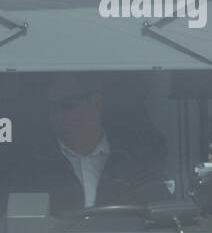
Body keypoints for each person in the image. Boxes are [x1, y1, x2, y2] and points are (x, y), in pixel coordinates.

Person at [15, 73, 169, 214]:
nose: (58, 115)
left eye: (68, 105)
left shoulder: (135, 161)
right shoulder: (33, 167)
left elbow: (162, 215)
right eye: (52, 107)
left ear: (96, 103)